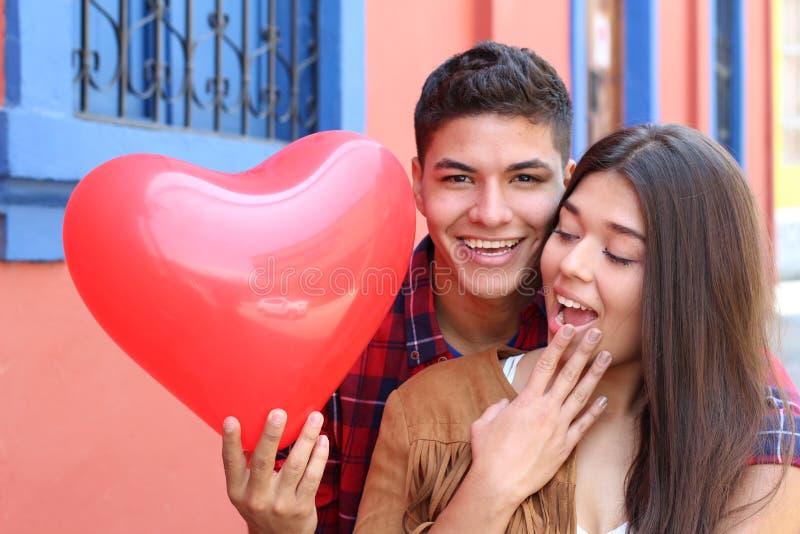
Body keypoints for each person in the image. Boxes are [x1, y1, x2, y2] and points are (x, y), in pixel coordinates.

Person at [220, 42, 800, 534]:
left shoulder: (719, 384)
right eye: (458, 179)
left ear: (568, 182)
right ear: (418, 185)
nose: (491, 213)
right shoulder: (347, 346)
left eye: (524, 178)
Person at [354, 124, 800, 533]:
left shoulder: (756, 438)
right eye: (566, 232)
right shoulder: (426, 411)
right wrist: (488, 489)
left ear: (694, 286)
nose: (571, 264)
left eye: (619, 253)